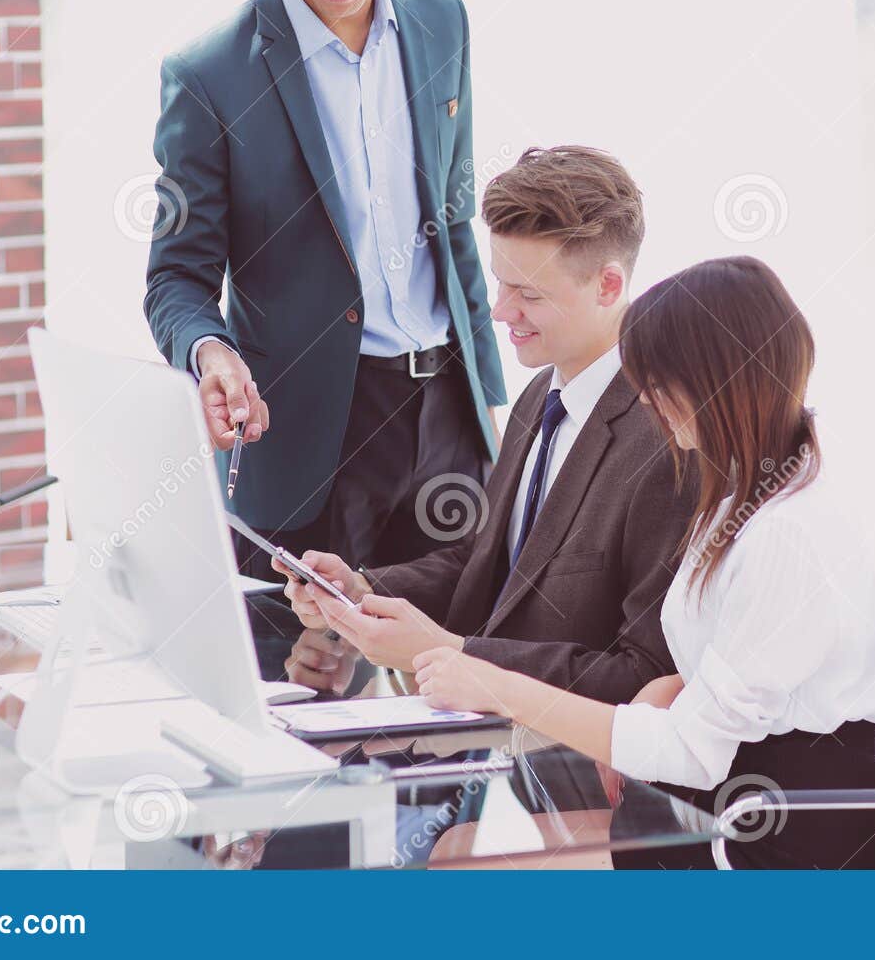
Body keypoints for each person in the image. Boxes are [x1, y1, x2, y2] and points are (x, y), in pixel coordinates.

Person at [408, 256, 875, 869]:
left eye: (658, 381)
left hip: (771, 848)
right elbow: (750, 667)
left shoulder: (786, 534)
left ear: (716, 382)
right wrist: (663, 690)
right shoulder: (751, 490)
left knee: (460, 866)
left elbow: (693, 752)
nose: (646, 399)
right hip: (725, 808)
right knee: (458, 851)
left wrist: (498, 686)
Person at [144, 0, 504, 575]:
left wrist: (488, 398)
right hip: (308, 436)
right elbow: (177, 274)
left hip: (448, 414)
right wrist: (210, 352)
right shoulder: (209, 77)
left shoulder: (444, 19)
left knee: (460, 675)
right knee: (298, 682)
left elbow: (455, 210)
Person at [280, 147, 696, 703]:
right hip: (497, 750)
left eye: (528, 294)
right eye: (500, 284)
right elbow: (491, 567)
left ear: (608, 287)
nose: (500, 312)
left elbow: (645, 674)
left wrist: (456, 654)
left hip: (576, 770)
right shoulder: (538, 399)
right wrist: (362, 591)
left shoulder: (672, 440)